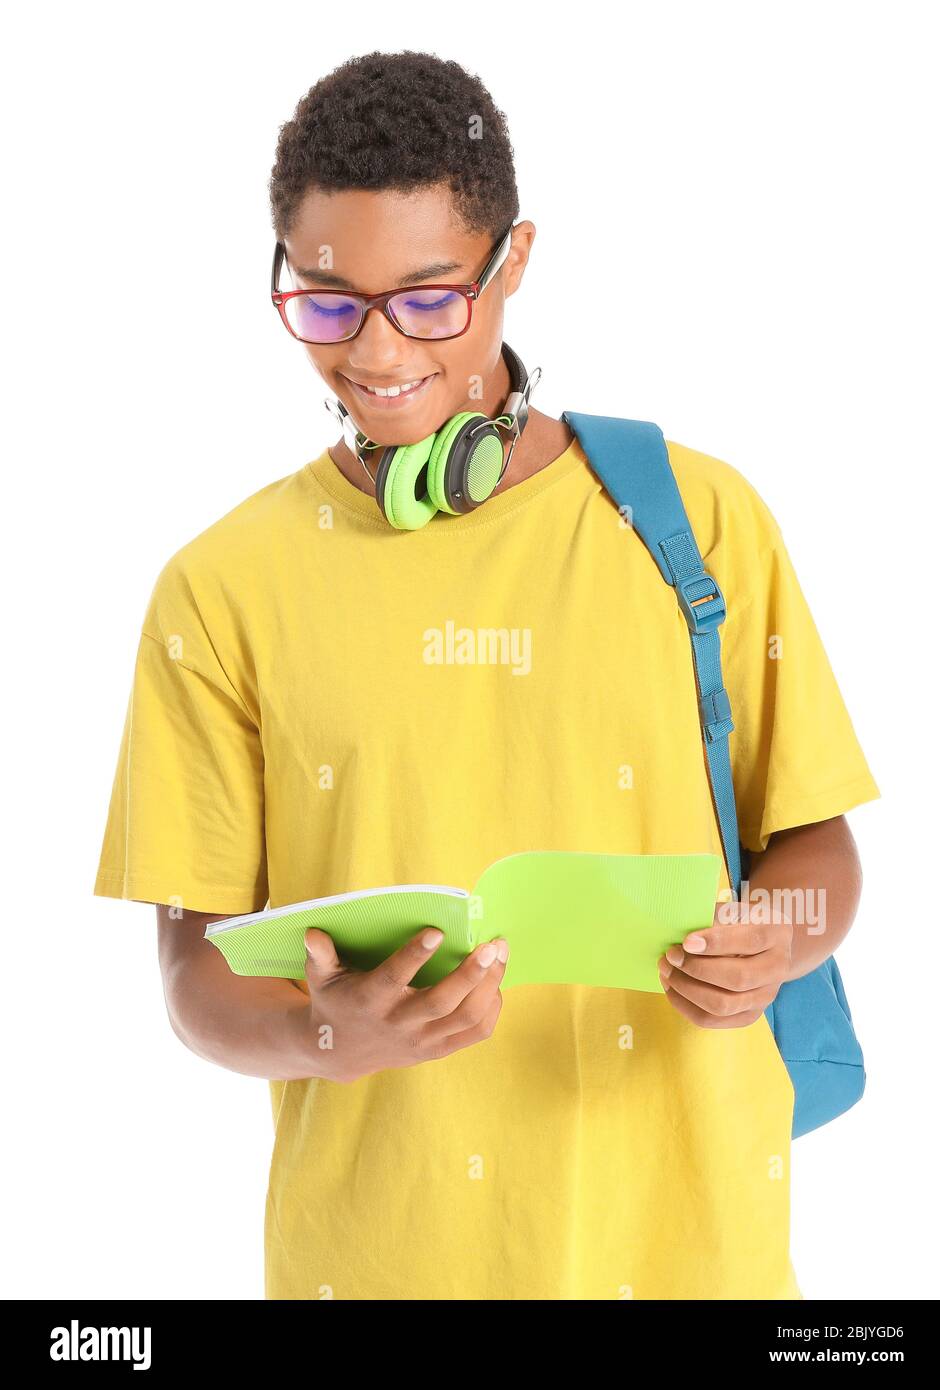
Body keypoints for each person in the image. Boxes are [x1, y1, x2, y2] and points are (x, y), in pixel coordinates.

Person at [93, 49, 880, 1301]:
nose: (375, 348)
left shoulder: (696, 520)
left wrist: (770, 942)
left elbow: (819, 856)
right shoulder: (219, 589)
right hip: (380, 1259)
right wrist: (322, 1033)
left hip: (691, 1255)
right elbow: (193, 980)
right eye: (328, 298)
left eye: (428, 296)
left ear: (512, 264)